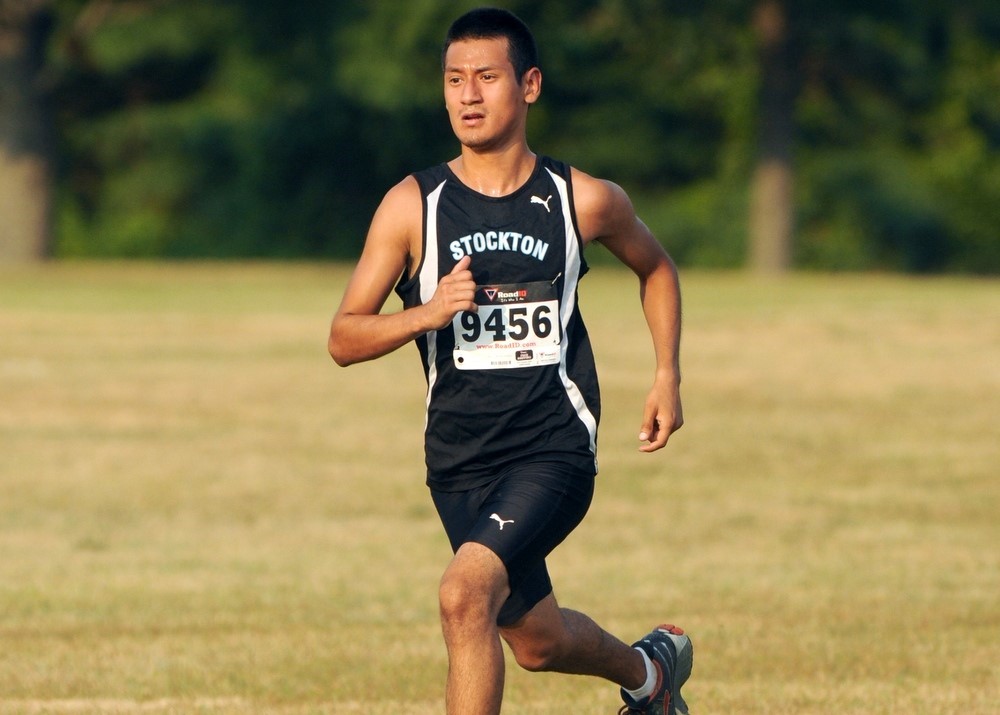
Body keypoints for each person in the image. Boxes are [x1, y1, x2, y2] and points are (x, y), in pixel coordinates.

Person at [328, 7, 691, 714]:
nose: (467, 95)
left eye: (486, 78)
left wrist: (666, 375)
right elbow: (344, 337)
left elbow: (657, 269)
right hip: (458, 461)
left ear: (529, 85)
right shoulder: (411, 206)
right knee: (537, 642)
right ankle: (651, 676)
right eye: (454, 79)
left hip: (552, 448)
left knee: (464, 595)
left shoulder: (582, 199)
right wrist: (427, 312)